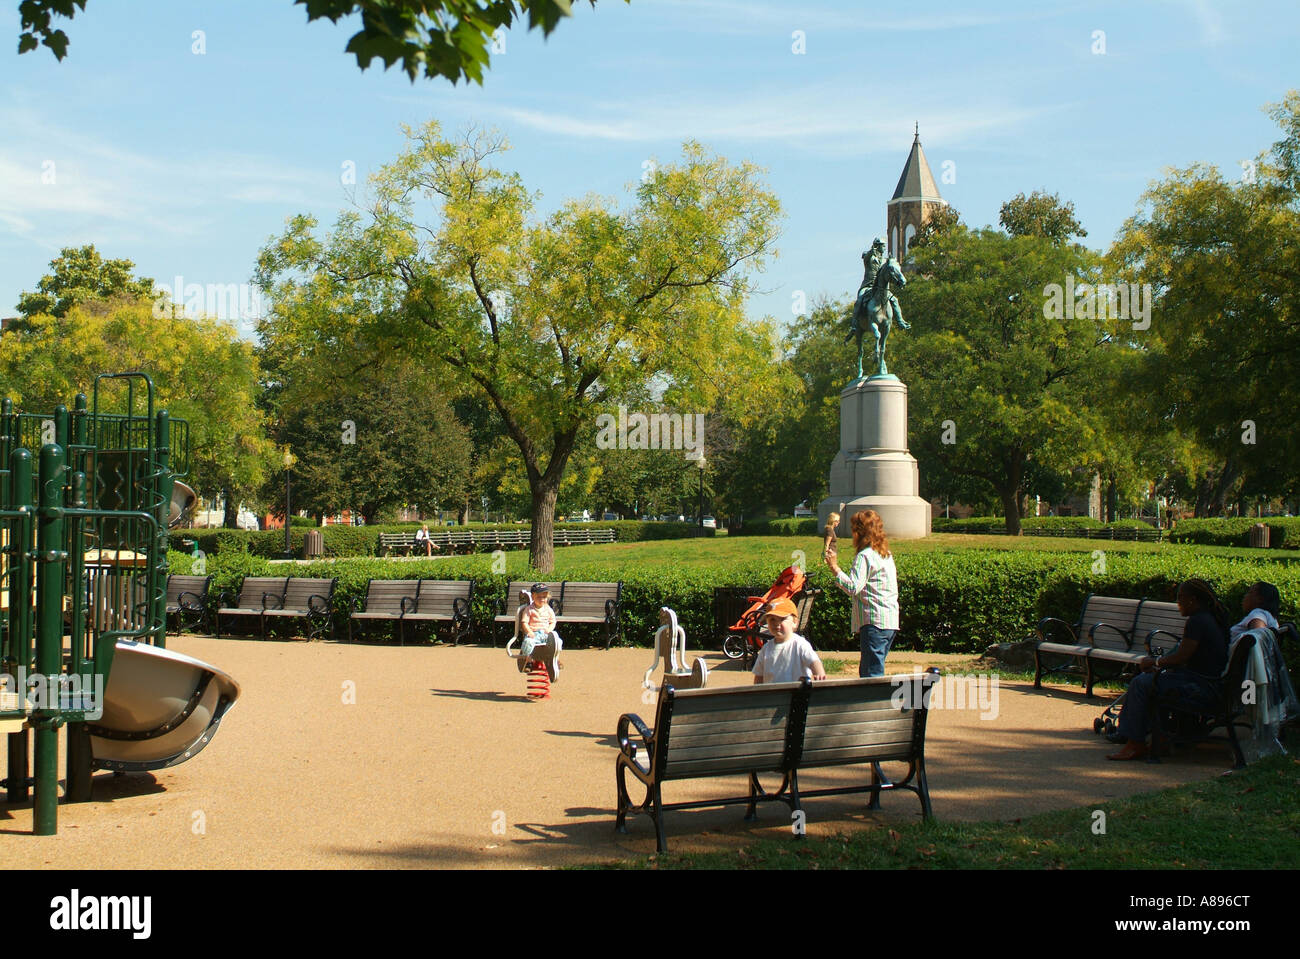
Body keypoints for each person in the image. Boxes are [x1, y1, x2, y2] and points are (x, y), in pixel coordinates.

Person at [1107, 579, 1230, 760]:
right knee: (1151, 681)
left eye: (1180, 598)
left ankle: (1134, 743)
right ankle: (1158, 739)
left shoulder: (1197, 621)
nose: (1177, 602)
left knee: (1141, 683)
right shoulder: (1211, 618)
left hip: (1199, 686)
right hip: (1208, 683)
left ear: (1192, 600)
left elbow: (1181, 657)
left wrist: (1155, 662)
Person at [825, 509, 900, 678]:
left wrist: (834, 567)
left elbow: (853, 587)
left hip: (874, 622)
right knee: (873, 670)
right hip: (890, 621)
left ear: (859, 531)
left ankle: (875, 704)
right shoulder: (885, 554)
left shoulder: (864, 556)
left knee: (870, 675)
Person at [751, 598, 826, 685]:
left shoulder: (800, 644)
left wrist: (819, 673)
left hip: (796, 693)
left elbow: (813, 661)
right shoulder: (766, 648)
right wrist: (757, 692)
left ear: (795, 622)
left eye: (782, 619)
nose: (776, 623)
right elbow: (759, 675)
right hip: (772, 695)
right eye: (772, 619)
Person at [517, 583, 562, 681]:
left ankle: (555, 659)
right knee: (528, 643)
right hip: (534, 633)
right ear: (533, 596)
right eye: (538, 597)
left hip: (545, 633)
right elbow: (524, 622)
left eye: (544, 597)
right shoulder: (529, 609)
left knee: (557, 640)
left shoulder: (548, 609)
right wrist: (529, 632)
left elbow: (553, 621)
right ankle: (528, 661)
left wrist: (549, 630)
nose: (542, 599)